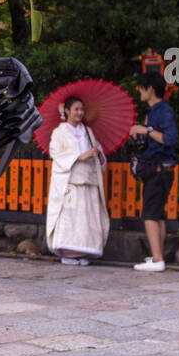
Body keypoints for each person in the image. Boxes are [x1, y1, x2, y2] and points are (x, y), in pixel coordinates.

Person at [45, 96, 109, 264]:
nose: (80, 112)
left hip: (88, 180)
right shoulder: (60, 132)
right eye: (76, 109)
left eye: (82, 109)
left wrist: (97, 153)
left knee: (87, 218)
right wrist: (79, 156)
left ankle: (84, 252)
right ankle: (67, 253)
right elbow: (56, 153)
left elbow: (98, 151)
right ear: (67, 111)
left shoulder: (87, 131)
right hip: (71, 180)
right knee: (70, 218)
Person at [128, 70, 178, 272]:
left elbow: (170, 139)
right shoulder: (154, 111)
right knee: (157, 214)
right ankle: (158, 256)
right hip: (157, 167)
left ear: (149, 89)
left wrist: (146, 130)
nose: (139, 91)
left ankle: (158, 259)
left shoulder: (163, 111)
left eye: (141, 87)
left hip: (159, 169)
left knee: (149, 215)